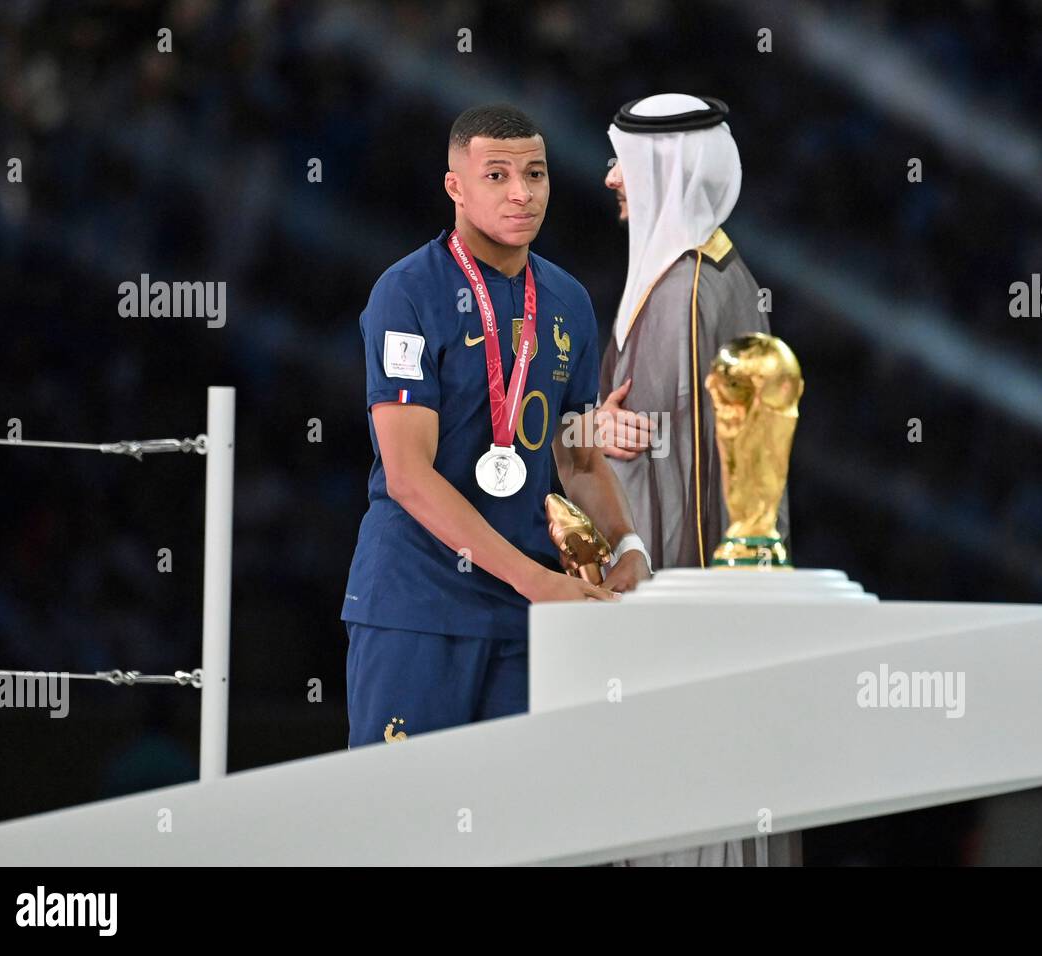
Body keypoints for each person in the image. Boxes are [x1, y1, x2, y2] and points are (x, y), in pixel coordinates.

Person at [341, 103, 651, 749]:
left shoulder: (566, 300)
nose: (522, 193)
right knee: (404, 822)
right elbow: (406, 477)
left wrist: (629, 547)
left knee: (519, 827)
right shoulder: (407, 293)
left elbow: (581, 457)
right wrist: (536, 580)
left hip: (527, 617)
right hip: (421, 603)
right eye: (498, 176)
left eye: (536, 175)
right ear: (455, 186)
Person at [596, 93, 796, 867]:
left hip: (680, 615)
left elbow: (673, 475)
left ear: (665, 170)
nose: (613, 178)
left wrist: (582, 442)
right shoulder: (723, 271)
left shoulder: (682, 292)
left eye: (625, 162)